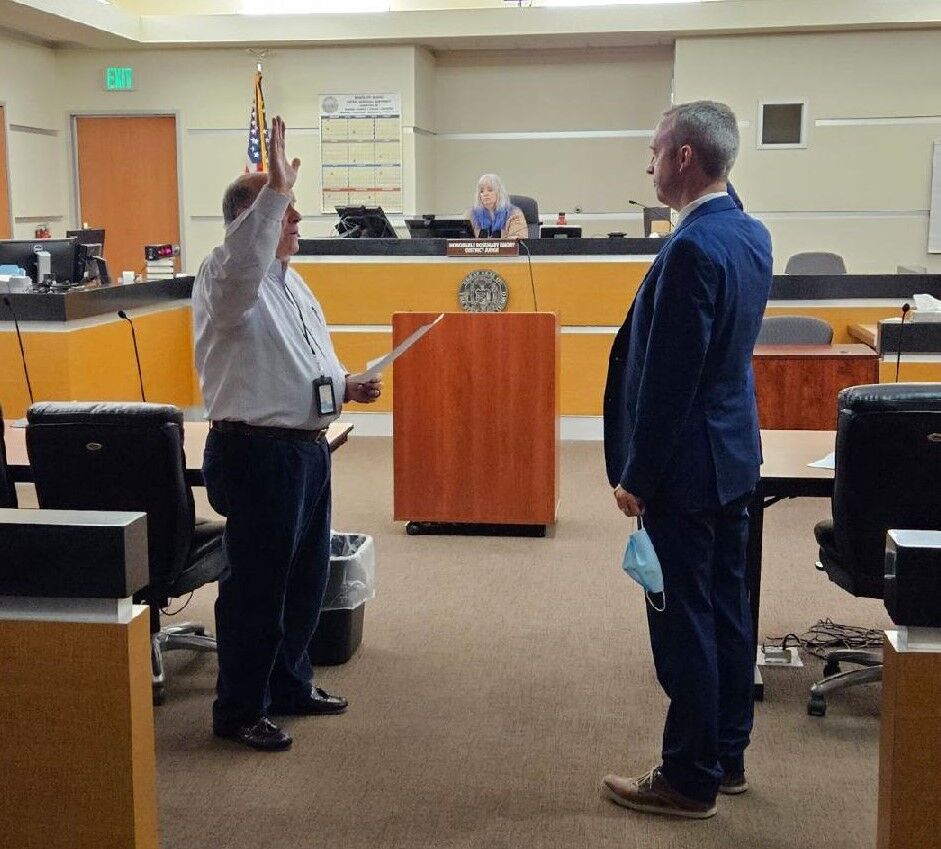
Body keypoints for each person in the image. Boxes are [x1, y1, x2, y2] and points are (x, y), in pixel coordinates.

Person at [600, 101, 773, 818]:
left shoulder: (693, 248)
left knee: (684, 624)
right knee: (728, 614)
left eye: (653, 150)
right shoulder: (749, 232)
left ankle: (687, 777)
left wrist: (636, 476)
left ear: (681, 158)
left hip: (684, 470)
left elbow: (669, 381)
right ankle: (725, 752)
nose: (646, 163)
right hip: (732, 459)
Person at [193, 116, 382, 752]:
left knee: (303, 580)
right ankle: (239, 708)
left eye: (294, 211)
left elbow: (305, 365)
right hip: (255, 453)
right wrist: (273, 188)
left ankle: (289, 685)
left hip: (305, 448)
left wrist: (346, 384)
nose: (296, 221)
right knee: (256, 589)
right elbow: (244, 259)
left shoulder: (294, 284)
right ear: (252, 221)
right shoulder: (227, 280)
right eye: (284, 212)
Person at [468, 173, 528, 239]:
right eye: (481, 191)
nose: (485, 194)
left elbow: (519, 238)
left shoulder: (514, 214)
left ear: (499, 192)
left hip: (505, 249)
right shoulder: (472, 214)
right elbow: (462, 240)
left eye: (490, 190)